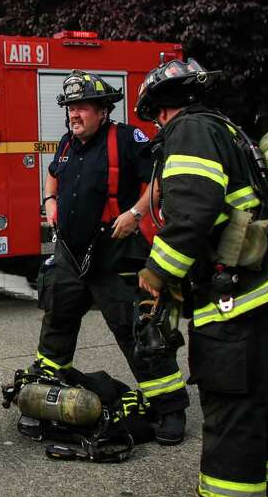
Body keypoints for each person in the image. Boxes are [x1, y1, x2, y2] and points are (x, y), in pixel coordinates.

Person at [134, 59, 268, 497]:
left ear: (159, 110)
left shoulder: (187, 132)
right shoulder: (228, 129)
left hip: (237, 296)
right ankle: (261, 492)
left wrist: (157, 271)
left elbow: (192, 209)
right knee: (261, 398)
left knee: (231, 403)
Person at [32, 71, 189, 445]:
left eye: (82, 106)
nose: (74, 114)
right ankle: (45, 398)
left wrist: (136, 214)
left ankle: (169, 409)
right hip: (70, 254)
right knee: (57, 325)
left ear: (103, 110)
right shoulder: (68, 144)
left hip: (114, 252)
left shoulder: (127, 138)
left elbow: (158, 178)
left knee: (138, 330)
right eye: (70, 107)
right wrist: (50, 201)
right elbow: (52, 176)